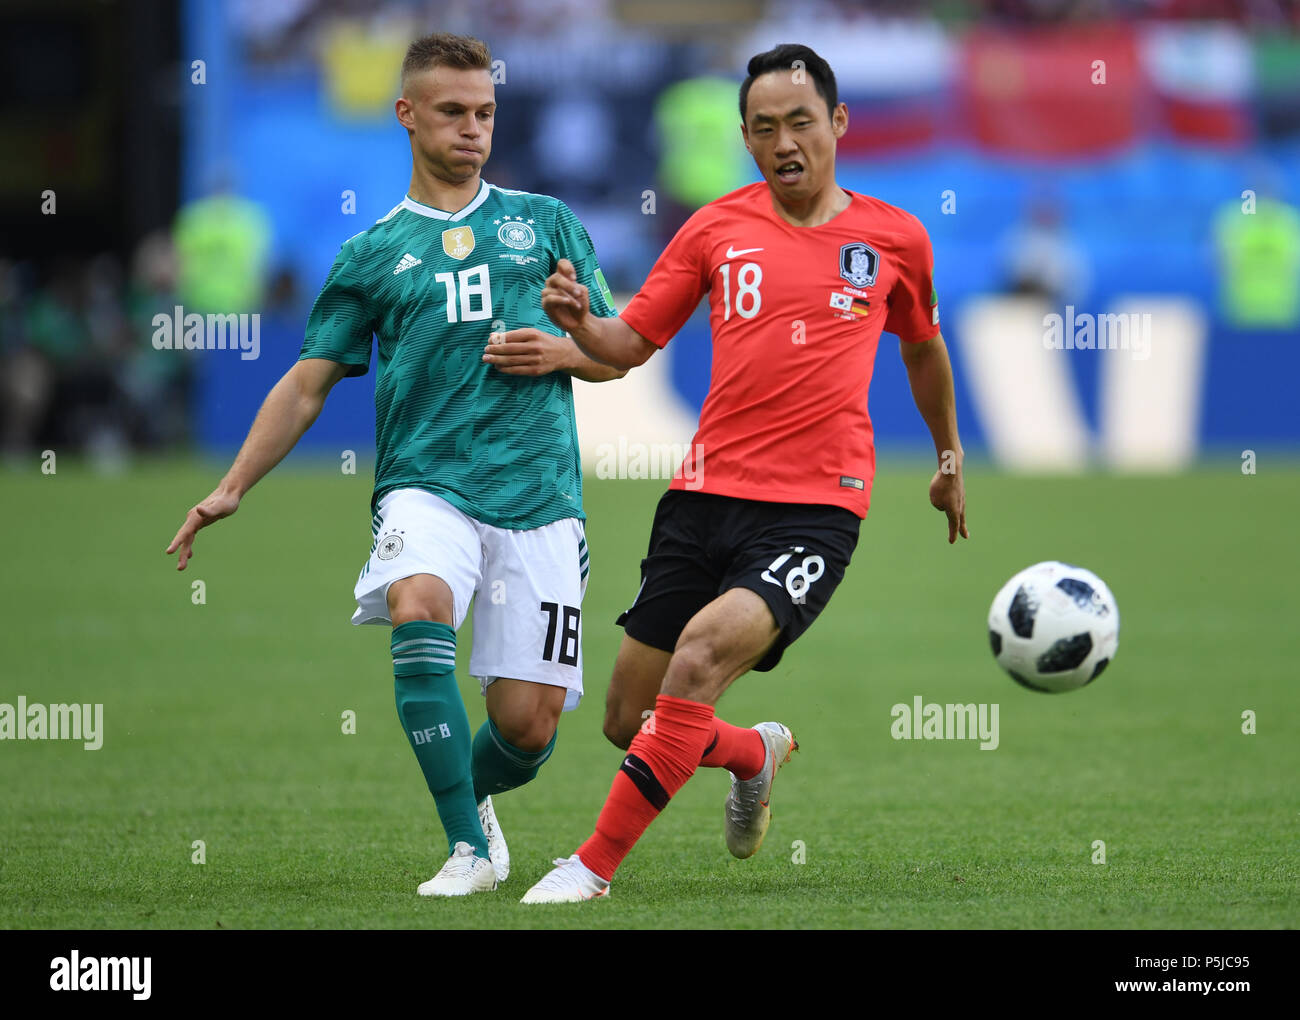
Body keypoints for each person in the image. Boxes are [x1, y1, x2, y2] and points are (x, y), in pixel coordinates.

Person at [165, 33, 623, 897]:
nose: (473, 129)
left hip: (539, 495)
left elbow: (618, 348)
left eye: (485, 112)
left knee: (526, 729)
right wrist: (230, 489)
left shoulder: (547, 223)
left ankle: (476, 794)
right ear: (407, 115)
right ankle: (469, 850)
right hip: (424, 482)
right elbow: (305, 386)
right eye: (453, 112)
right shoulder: (370, 255)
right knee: (420, 601)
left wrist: (565, 352)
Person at [514, 43, 969, 904]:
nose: (784, 140)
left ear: (837, 123)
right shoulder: (715, 229)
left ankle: (591, 869)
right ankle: (753, 752)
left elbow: (923, 349)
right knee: (626, 722)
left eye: (801, 121)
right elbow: (630, 344)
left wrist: (947, 456)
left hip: (814, 508)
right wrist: (580, 325)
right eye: (764, 128)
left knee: (698, 659)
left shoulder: (894, 238)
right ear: (746, 138)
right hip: (702, 495)